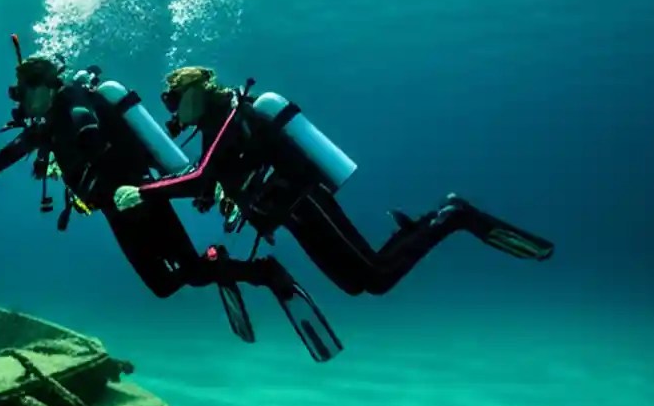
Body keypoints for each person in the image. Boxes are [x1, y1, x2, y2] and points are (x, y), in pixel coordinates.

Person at [0, 40, 342, 361]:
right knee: (165, 286)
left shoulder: (75, 106)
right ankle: (216, 260)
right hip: (116, 210)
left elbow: (88, 132)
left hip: (141, 200)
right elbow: (0, 159)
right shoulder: (46, 123)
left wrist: (91, 150)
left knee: (187, 273)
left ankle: (266, 272)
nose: (20, 101)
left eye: (22, 92)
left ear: (41, 87)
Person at [114, 66, 554, 298]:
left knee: (376, 279)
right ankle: (416, 230)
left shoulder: (230, 115)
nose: (171, 108)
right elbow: (213, 179)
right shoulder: (217, 126)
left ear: (194, 91)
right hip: (292, 216)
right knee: (356, 284)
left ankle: (451, 216)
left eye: (172, 98)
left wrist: (144, 191)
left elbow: (203, 175)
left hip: (306, 204)